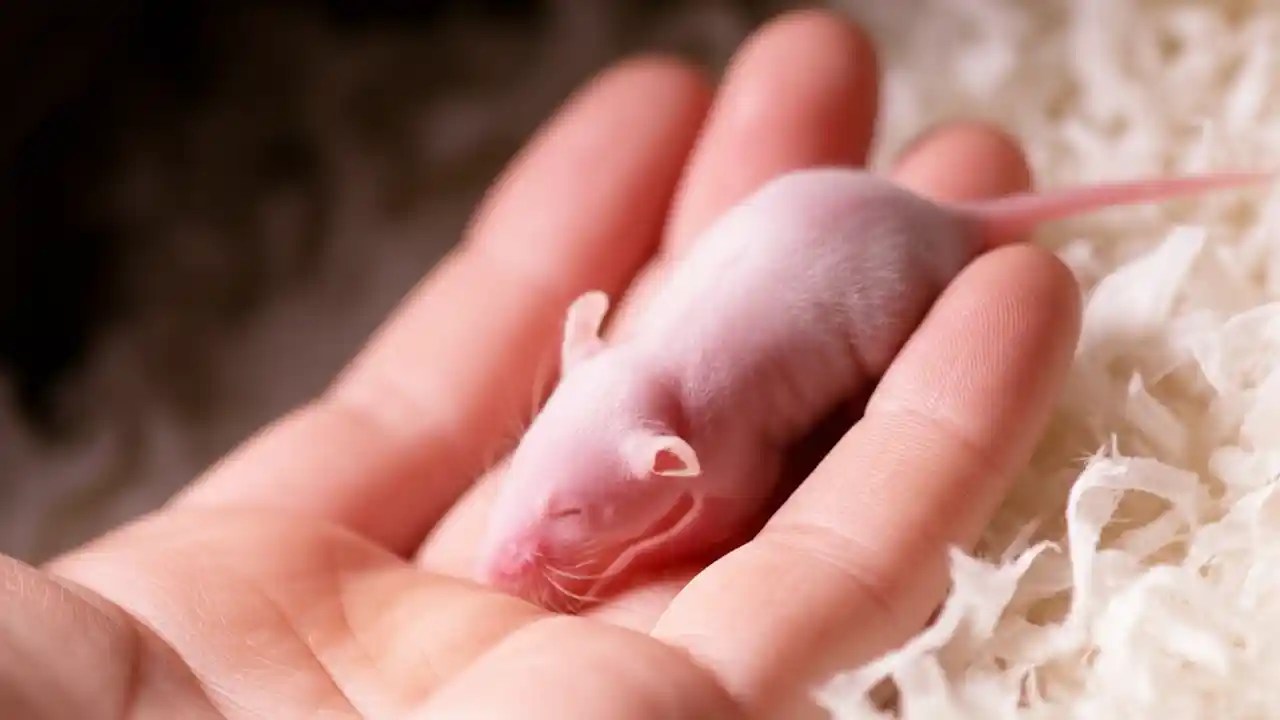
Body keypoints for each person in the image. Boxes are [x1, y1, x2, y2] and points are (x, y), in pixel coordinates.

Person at [2, 9, 1080, 719]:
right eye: (533, 482)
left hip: (873, 255)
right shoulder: (622, 405)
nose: (520, 536)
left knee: (908, 324)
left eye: (558, 518)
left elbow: (729, 487)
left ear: (662, 463)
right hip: (811, 236)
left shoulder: (685, 450)